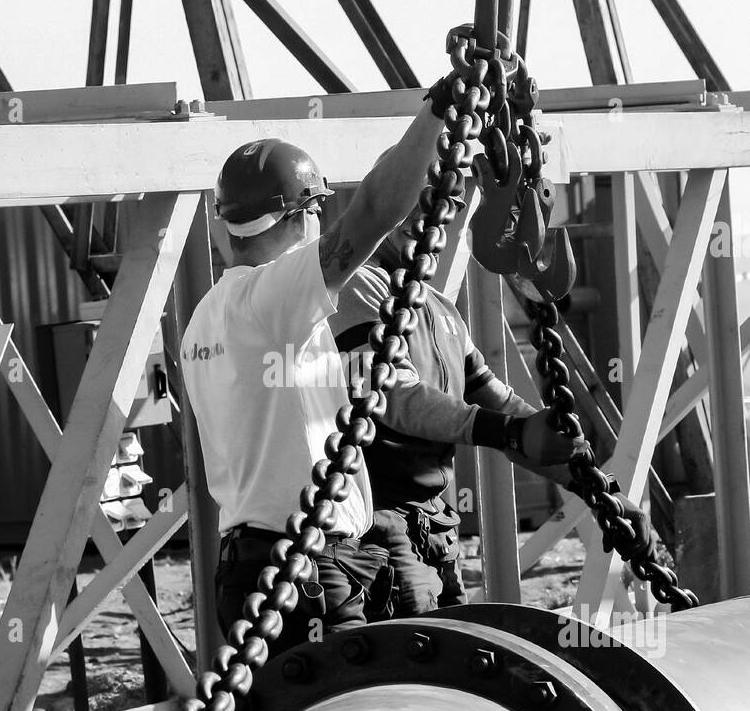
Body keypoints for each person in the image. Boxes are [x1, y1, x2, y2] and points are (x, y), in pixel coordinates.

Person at [180, 73, 466, 656]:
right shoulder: (273, 296)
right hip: (306, 569)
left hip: (250, 568)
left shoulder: (204, 319)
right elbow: (371, 216)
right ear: (301, 214)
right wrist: (437, 111)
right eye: (317, 212)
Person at [331, 205, 655, 615]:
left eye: (433, 209)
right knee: (415, 659)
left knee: (446, 657)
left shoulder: (442, 312)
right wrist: (508, 431)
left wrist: (598, 491)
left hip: (434, 527)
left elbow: (500, 403)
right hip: (380, 521)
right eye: (407, 209)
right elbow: (393, 396)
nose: (424, 221)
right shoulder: (360, 288)